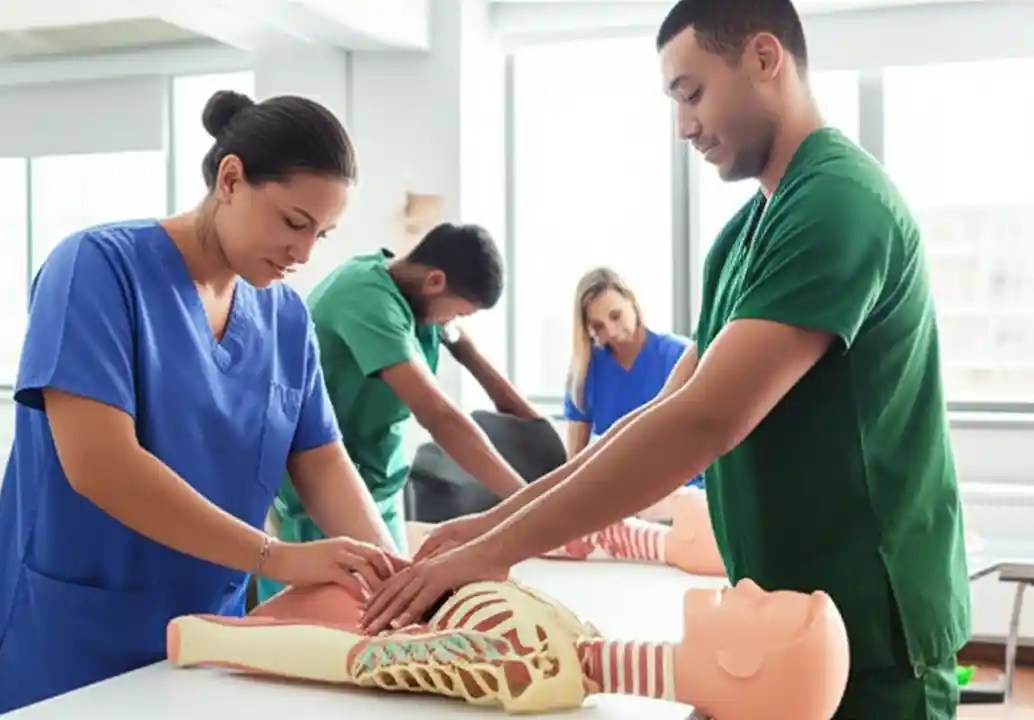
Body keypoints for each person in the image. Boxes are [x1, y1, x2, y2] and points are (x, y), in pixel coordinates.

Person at [360, 1, 972, 718]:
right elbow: (662, 414)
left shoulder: (839, 204)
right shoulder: (745, 235)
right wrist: (493, 527)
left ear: (764, 58)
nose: (684, 125)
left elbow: (703, 423)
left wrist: (497, 551)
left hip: (869, 626)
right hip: (774, 623)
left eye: (693, 93)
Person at [0, 90, 410, 719]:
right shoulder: (97, 269)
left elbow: (323, 462)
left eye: (321, 234)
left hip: (204, 647)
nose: (304, 254)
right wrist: (277, 558)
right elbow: (101, 466)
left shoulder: (284, 317)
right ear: (231, 179)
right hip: (68, 647)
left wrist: (399, 584)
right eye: (293, 222)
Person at [258, 222, 541, 604]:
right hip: (323, 498)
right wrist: (528, 503)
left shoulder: (414, 298)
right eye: (458, 312)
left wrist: (466, 349)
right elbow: (439, 416)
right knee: (327, 620)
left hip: (379, 489)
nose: (451, 323)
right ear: (436, 280)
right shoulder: (364, 297)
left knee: (397, 608)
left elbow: (464, 352)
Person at [562, 267, 700, 488]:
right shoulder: (585, 370)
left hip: (680, 487)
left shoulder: (678, 355)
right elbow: (574, 463)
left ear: (632, 302)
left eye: (616, 316)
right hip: (619, 491)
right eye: (598, 326)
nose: (611, 331)